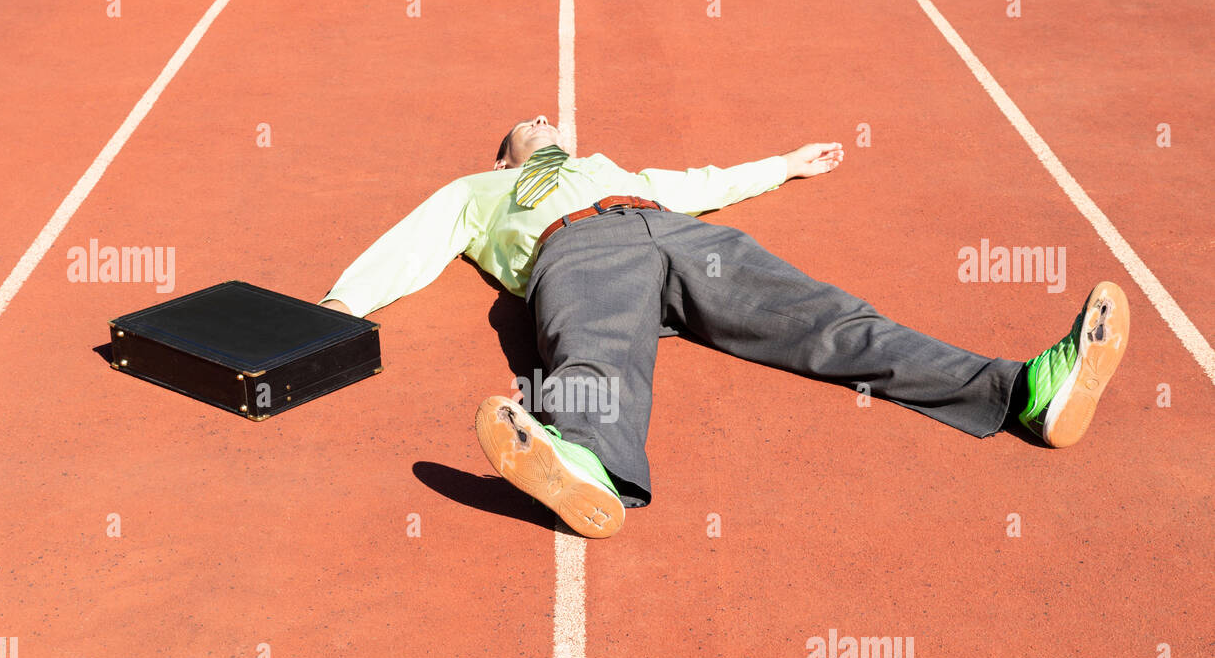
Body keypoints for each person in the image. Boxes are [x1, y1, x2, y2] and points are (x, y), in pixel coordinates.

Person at [319, 115, 1130, 538]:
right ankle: (588, 471)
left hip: (675, 232)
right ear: (506, 158)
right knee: (591, 355)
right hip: (577, 255)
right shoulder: (478, 190)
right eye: (527, 123)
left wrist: (784, 165)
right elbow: (416, 240)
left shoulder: (614, 168)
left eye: (548, 117)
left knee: (831, 321)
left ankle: (1024, 391)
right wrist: (341, 304)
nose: (543, 119)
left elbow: (702, 182)